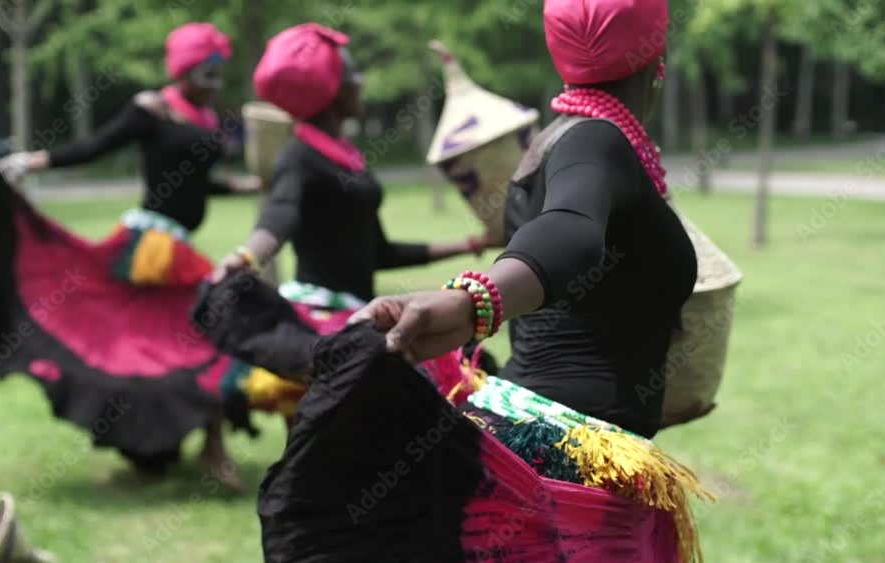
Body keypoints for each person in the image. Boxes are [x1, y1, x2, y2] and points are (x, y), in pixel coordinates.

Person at [252, 0, 711, 561]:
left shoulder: (556, 141)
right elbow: (567, 234)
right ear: (656, 52)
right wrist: (475, 302)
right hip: (566, 467)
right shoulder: (596, 141)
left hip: (562, 439)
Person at [0, 22, 273, 491]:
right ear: (183, 72)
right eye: (206, 74)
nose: (214, 83)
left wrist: (249, 185)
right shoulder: (152, 108)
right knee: (164, 339)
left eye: (219, 74)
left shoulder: (206, 120)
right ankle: (205, 448)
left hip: (179, 250)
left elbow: (194, 184)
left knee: (199, 339)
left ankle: (184, 443)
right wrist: (32, 161)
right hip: (147, 248)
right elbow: (94, 148)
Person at [210, 22, 491, 354]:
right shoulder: (298, 155)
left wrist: (473, 243)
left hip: (358, 311)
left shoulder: (347, 156)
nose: (362, 81)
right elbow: (281, 211)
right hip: (324, 320)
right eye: (353, 73)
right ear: (331, 88)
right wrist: (249, 255)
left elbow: (378, 252)